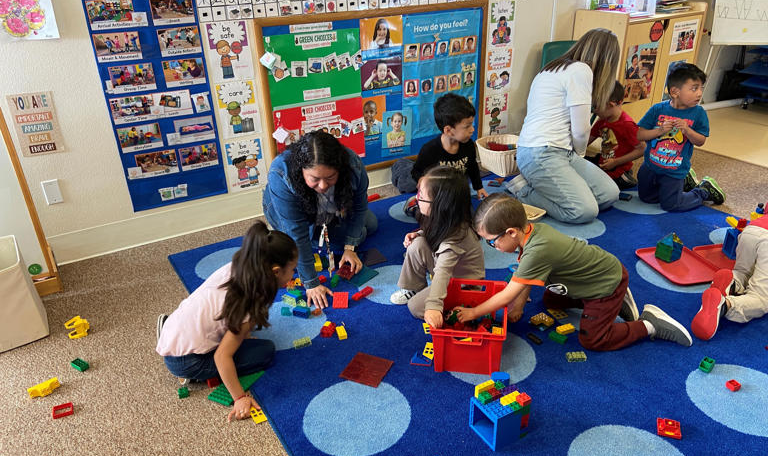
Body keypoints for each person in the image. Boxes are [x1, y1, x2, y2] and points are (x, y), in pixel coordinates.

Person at [454, 193, 693, 350]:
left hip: (606, 282)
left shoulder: (537, 251)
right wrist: (519, 306)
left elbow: (507, 294)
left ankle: (649, 324)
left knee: (593, 339)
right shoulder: (531, 233)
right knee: (550, 300)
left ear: (511, 233)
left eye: (491, 241)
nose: (492, 247)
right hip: (595, 274)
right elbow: (527, 277)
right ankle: (617, 302)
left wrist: (473, 312)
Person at [156, 222, 298, 422]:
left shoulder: (237, 267)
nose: (293, 275)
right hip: (186, 361)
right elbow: (222, 356)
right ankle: (192, 373)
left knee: (242, 335)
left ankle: (180, 340)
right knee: (265, 351)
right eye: (292, 269)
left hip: (175, 328)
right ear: (275, 271)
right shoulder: (248, 304)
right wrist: (239, 398)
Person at [507, 28, 621, 224]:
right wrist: (581, 155)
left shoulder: (555, 67)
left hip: (559, 150)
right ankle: (523, 190)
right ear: (607, 61)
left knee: (609, 194)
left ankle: (542, 186)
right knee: (584, 211)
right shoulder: (581, 71)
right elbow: (581, 130)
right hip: (540, 152)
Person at [262, 131, 378, 309]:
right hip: (292, 217)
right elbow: (297, 232)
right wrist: (311, 283)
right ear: (301, 170)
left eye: (330, 177)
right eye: (314, 179)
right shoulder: (280, 173)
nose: (323, 186)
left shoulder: (352, 164)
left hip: (330, 211)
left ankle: (324, 236)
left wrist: (350, 248)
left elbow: (360, 207)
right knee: (302, 243)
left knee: (370, 225)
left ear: (339, 169)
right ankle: (314, 239)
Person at [389, 167, 485, 328]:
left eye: (421, 196)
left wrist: (434, 306)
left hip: (464, 286)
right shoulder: (446, 219)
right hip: (450, 273)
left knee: (415, 306)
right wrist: (419, 233)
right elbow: (435, 233)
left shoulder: (455, 240)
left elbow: (442, 272)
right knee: (417, 244)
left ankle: (454, 310)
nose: (416, 199)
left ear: (440, 206)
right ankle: (414, 288)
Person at [636, 63, 724, 212]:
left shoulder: (699, 113)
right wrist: (660, 131)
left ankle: (704, 190)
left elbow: (701, 141)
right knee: (646, 198)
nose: (699, 93)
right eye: (694, 88)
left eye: (701, 88)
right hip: (650, 166)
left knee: (671, 205)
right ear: (675, 92)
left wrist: (687, 131)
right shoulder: (658, 109)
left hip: (675, 170)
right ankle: (684, 183)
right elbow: (640, 134)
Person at [691, 213, 768, 340]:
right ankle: (725, 305)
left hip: (752, 230)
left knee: (744, 272)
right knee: (761, 297)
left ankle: (733, 281)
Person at [588, 80, 644, 190]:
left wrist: (615, 162)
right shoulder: (602, 120)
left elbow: (642, 149)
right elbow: (585, 141)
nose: (594, 111)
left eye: (595, 106)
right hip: (604, 167)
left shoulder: (627, 125)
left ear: (610, 104)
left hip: (619, 173)